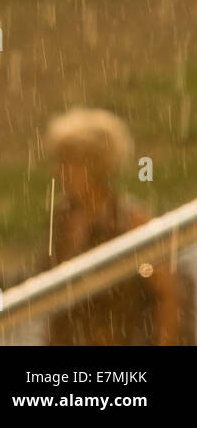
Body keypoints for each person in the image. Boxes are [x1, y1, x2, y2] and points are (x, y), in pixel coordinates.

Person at [45, 107, 193, 345]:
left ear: (96, 166)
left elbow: (169, 295)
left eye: (70, 163)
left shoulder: (129, 222)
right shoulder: (62, 218)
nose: (61, 173)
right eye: (60, 162)